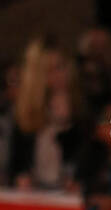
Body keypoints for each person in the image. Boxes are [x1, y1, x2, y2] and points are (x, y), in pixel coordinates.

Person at [8, 37, 86, 191]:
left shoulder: (81, 109)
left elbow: (83, 160)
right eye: (49, 70)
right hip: (35, 196)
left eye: (61, 67)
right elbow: (16, 164)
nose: (57, 75)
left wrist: (66, 125)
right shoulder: (24, 112)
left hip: (67, 196)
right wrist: (21, 177)